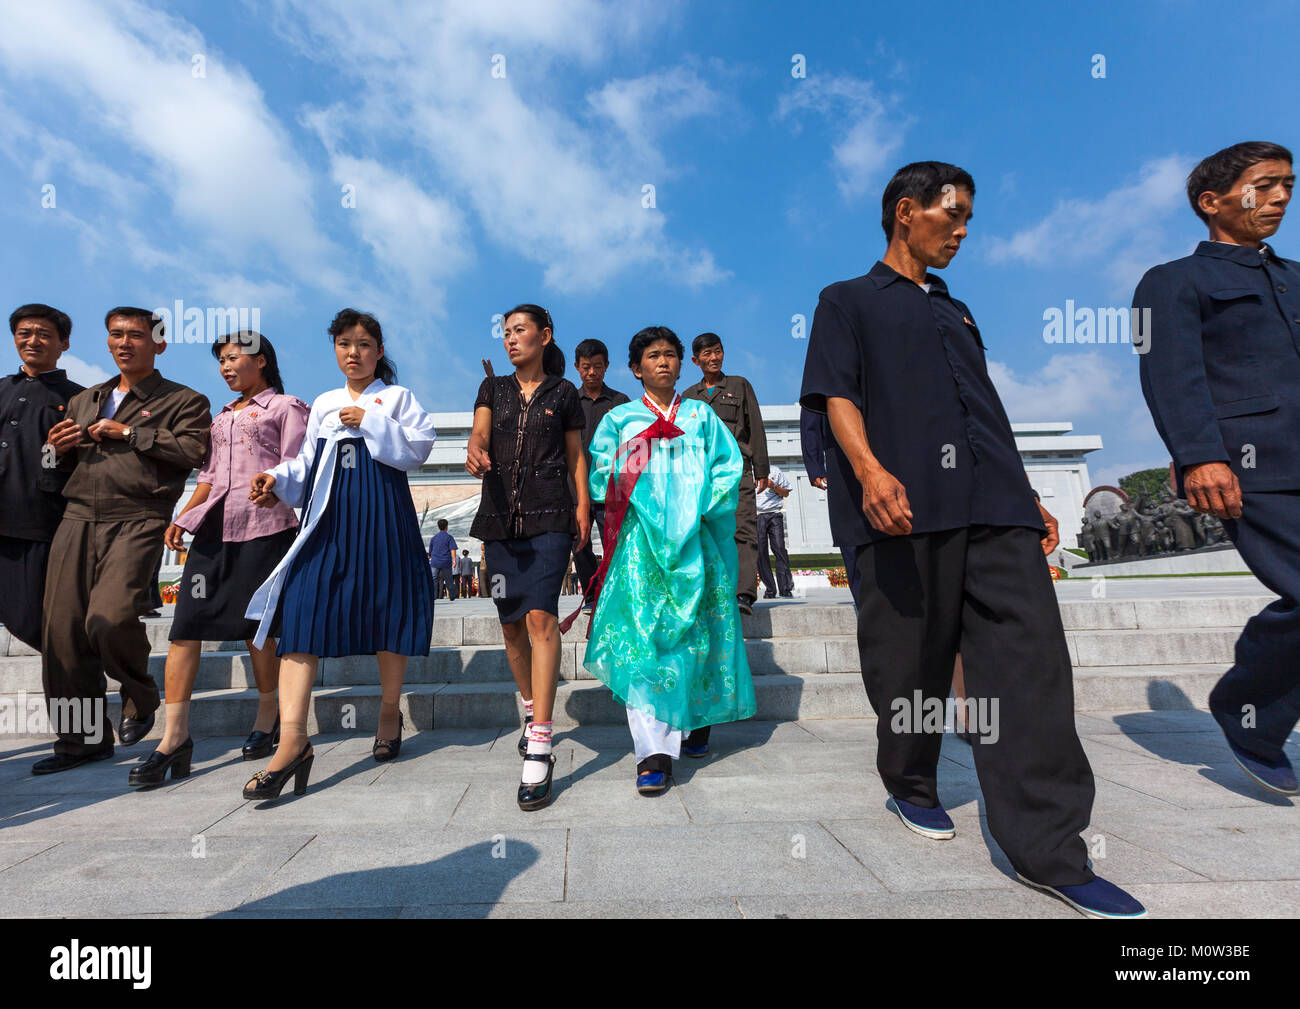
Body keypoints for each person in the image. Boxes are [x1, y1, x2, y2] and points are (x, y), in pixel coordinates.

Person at [799, 161, 1144, 918]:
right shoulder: (847, 300)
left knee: (1031, 665)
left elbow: (984, 408)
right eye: (950, 216)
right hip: (902, 505)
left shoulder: (957, 311)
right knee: (908, 663)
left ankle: (1049, 848)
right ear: (903, 212)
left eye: (968, 221)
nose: (961, 232)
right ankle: (910, 779)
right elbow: (836, 395)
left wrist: (1024, 495)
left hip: (994, 508)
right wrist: (870, 471)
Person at [1134, 140, 1300, 797]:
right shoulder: (1172, 282)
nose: (1282, 197)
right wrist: (1199, 454)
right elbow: (1170, 375)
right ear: (1212, 201)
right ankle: (1248, 712)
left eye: (1289, 184)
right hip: (1255, 469)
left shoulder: (1296, 278)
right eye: (1265, 185)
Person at [242, 309, 436, 800]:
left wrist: (369, 420)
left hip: (385, 513)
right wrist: (277, 480)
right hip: (328, 518)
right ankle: (292, 741)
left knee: (388, 612)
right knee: (301, 615)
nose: (354, 352)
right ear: (335, 350)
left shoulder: (397, 398)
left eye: (365, 344)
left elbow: (418, 450)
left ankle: (389, 713)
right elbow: (306, 464)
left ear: (380, 351)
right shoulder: (324, 403)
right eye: (345, 343)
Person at [580, 326, 756, 795]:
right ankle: (652, 752)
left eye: (671, 355)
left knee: (699, 635)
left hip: (697, 542)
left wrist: (696, 508)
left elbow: (728, 467)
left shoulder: (701, 415)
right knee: (644, 640)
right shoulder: (621, 419)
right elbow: (600, 478)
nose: (664, 362)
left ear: (682, 364)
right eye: (653, 356)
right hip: (642, 549)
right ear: (636, 368)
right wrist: (639, 452)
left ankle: (696, 717)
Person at [128, 331, 308, 787]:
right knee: (185, 627)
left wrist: (275, 486)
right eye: (221, 361)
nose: (226, 368)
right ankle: (173, 738)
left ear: (261, 361)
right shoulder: (220, 417)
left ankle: (267, 717)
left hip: (266, 529)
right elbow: (208, 476)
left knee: (258, 630)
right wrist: (185, 517)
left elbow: (297, 465)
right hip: (213, 531)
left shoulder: (287, 408)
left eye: (233, 359)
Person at [36, 307, 210, 774]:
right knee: (63, 635)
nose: (124, 343)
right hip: (75, 520)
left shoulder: (184, 400)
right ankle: (82, 742)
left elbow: (194, 451)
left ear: (159, 344)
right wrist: (55, 449)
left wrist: (131, 432)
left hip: (138, 517)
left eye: (136, 335)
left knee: (109, 618)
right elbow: (54, 472)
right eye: (116, 335)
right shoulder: (84, 400)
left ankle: (140, 691)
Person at [466, 304, 589, 811]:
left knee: (541, 618)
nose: (511, 340)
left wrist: (583, 507)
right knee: (511, 626)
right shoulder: (492, 390)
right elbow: (479, 432)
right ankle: (530, 707)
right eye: (506, 333)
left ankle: (541, 741)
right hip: (498, 522)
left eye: (520, 331)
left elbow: (576, 456)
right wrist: (474, 449)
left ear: (545, 335)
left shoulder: (564, 393)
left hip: (551, 517)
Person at [1, 304, 83, 652]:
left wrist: (55, 453)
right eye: (24, 333)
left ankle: (88, 692)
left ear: (63, 343)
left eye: (44, 334)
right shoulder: (2, 388)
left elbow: (88, 465)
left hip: (38, 524)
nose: (32, 341)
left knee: (33, 620)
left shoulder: (79, 400)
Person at [682, 333, 770, 617]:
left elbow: (754, 426)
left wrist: (762, 469)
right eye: (706, 354)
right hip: (702, 479)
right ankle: (712, 591)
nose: (713, 358)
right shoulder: (687, 397)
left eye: (717, 351)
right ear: (696, 360)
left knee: (743, 529)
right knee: (705, 534)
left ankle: (744, 593)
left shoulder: (739, 385)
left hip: (738, 472)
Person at [570, 339, 630, 596]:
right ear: (576, 367)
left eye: (597, 366)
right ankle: (591, 595)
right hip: (575, 490)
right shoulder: (568, 400)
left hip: (610, 491)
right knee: (579, 543)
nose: (591, 372)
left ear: (607, 366)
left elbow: (631, 447)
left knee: (614, 544)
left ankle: (615, 595)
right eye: (585, 367)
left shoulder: (620, 402)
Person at [800, 406, 861, 604]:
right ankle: (863, 601)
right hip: (840, 455)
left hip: (884, 448)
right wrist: (815, 465)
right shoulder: (826, 374)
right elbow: (811, 413)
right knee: (850, 533)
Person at [756, 462, 795, 598]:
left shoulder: (775, 471)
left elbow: (786, 493)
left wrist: (773, 487)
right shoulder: (748, 473)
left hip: (774, 514)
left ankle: (785, 588)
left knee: (779, 549)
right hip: (757, 516)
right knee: (760, 553)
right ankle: (770, 589)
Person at [429, 518, 459, 601]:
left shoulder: (434, 538)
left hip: (435, 561)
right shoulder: (449, 537)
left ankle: (433, 595)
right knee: (448, 579)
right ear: (447, 526)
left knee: (434, 578)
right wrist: (454, 560)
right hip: (446, 561)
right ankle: (452, 595)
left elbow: (430, 552)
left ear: (438, 527)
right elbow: (453, 549)